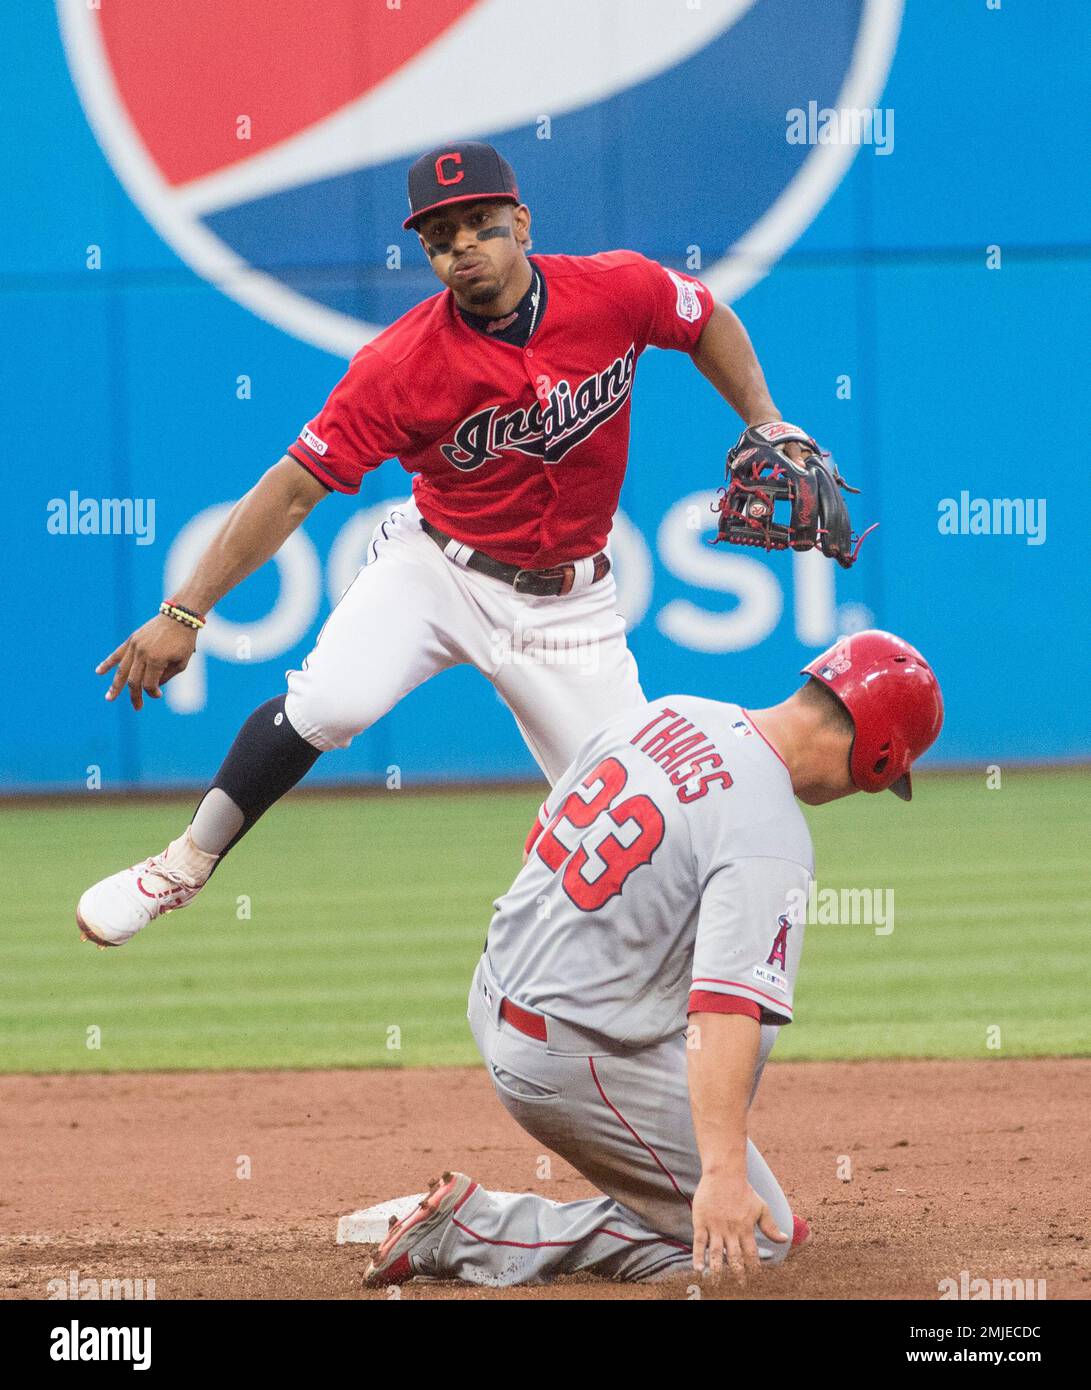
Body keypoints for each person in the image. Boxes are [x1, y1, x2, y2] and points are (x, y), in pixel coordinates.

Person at [76, 139, 830, 949]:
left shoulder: (616, 289)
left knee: (643, 827)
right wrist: (185, 612)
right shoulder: (398, 364)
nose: (462, 244)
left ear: (522, 223)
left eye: (479, 222)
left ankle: (584, 1012)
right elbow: (292, 487)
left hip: (572, 606)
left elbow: (702, 316)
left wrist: (763, 418)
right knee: (330, 702)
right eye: (440, 236)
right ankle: (182, 866)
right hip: (438, 569)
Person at [362, 630, 944, 1286]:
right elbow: (724, 1008)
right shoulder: (769, 833)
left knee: (706, 973)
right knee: (760, 1241)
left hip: (493, 992)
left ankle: (674, 1180)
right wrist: (722, 1177)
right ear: (879, 758)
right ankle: (478, 1231)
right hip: (564, 1062)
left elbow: (539, 839)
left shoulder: (669, 712)